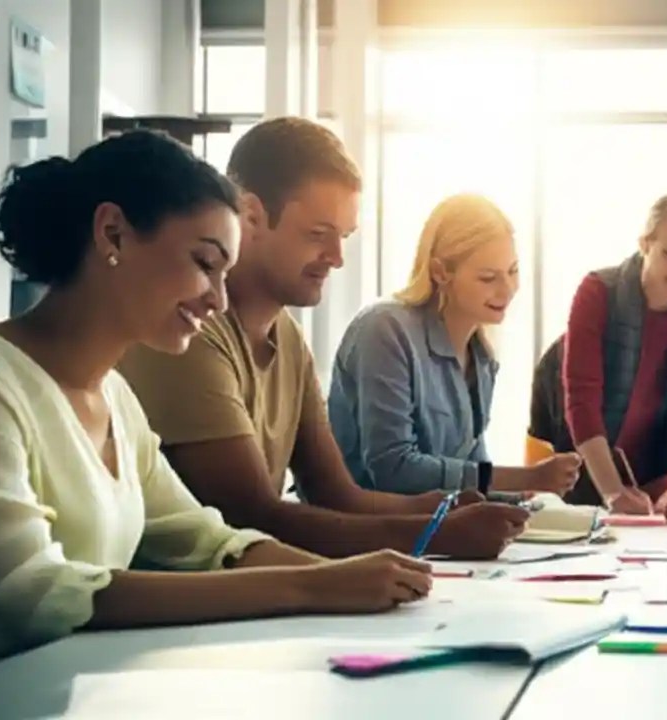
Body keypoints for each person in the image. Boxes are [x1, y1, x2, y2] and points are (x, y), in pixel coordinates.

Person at [0, 131, 432, 666]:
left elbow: (209, 542)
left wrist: (356, 580)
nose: (218, 298)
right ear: (113, 233)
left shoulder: (117, 400)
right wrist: (314, 588)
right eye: (204, 263)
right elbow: (34, 590)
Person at [120, 118, 527, 561]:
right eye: (318, 235)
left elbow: (337, 494)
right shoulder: (193, 331)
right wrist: (437, 533)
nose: (336, 257)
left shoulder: (288, 337)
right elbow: (252, 515)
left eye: (344, 237)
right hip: (194, 605)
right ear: (251, 216)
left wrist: (442, 508)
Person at [328, 194, 582, 496]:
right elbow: (393, 470)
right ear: (440, 272)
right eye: (488, 278)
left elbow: (471, 477)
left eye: (513, 271)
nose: (508, 290)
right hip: (361, 532)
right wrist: (526, 479)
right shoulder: (384, 329)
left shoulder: (482, 357)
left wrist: (523, 499)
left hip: (431, 530)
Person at [556, 193, 667, 514]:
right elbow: (581, 402)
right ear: (645, 244)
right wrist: (613, 493)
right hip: (589, 467)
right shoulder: (597, 291)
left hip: (658, 475)